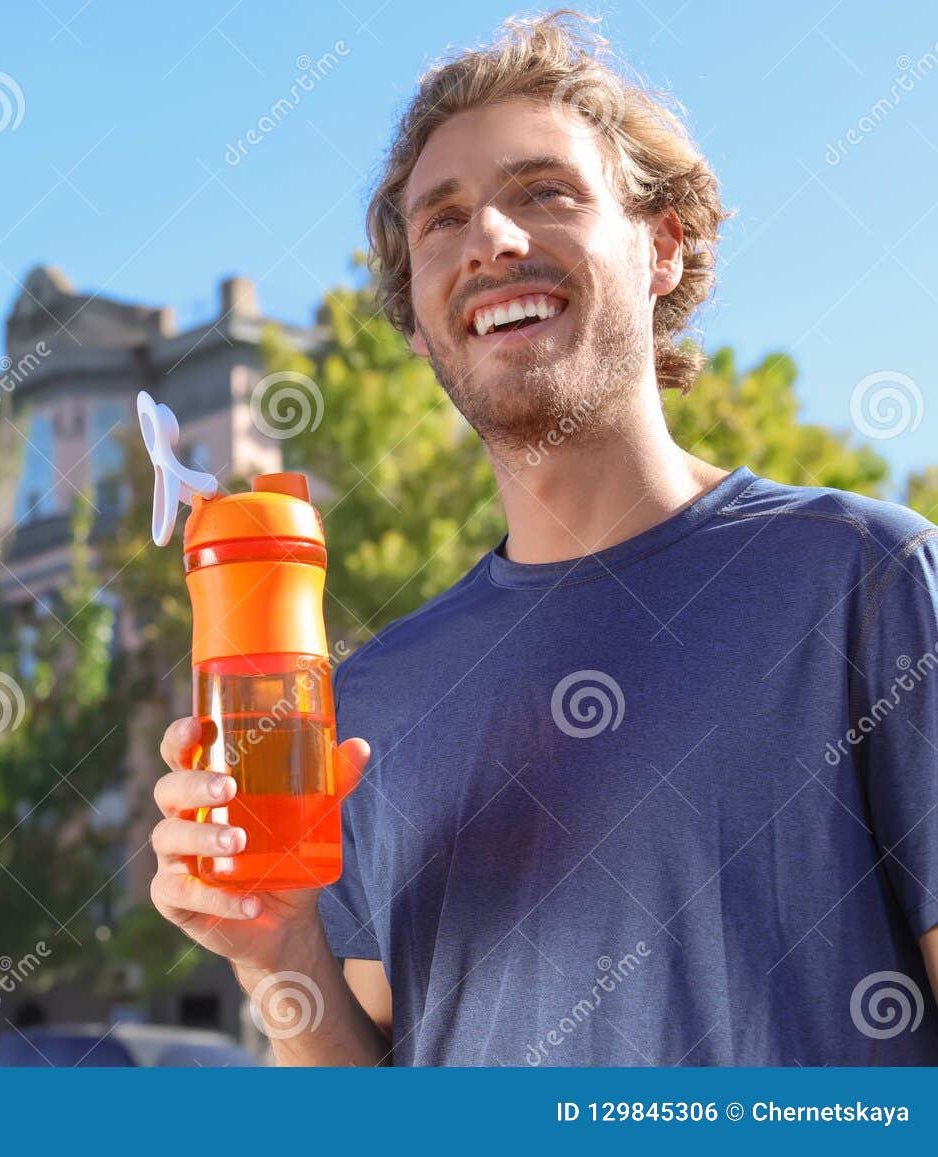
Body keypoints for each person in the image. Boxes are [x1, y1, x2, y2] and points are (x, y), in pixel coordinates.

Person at [148, 9, 938, 1065]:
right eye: (443, 219)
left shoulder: (866, 580)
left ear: (663, 245)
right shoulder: (369, 702)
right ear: (422, 321)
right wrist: (277, 952)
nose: (490, 239)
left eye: (543, 192)